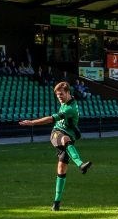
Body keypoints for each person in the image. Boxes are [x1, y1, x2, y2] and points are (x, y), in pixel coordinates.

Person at [19, 81, 92, 211]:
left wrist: (32, 123)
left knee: (62, 168)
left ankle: (56, 203)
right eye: (58, 95)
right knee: (65, 139)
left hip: (68, 137)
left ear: (68, 93)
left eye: (61, 95)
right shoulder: (67, 103)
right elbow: (56, 123)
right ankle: (80, 164)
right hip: (56, 134)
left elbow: (50, 119)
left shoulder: (70, 108)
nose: (59, 97)